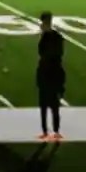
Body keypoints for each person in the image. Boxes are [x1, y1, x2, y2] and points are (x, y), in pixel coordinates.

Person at [36, 12, 66, 141]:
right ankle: (54, 130)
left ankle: (49, 130)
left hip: (48, 72)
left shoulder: (48, 37)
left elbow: (42, 53)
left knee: (47, 105)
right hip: (53, 72)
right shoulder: (56, 36)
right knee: (53, 105)